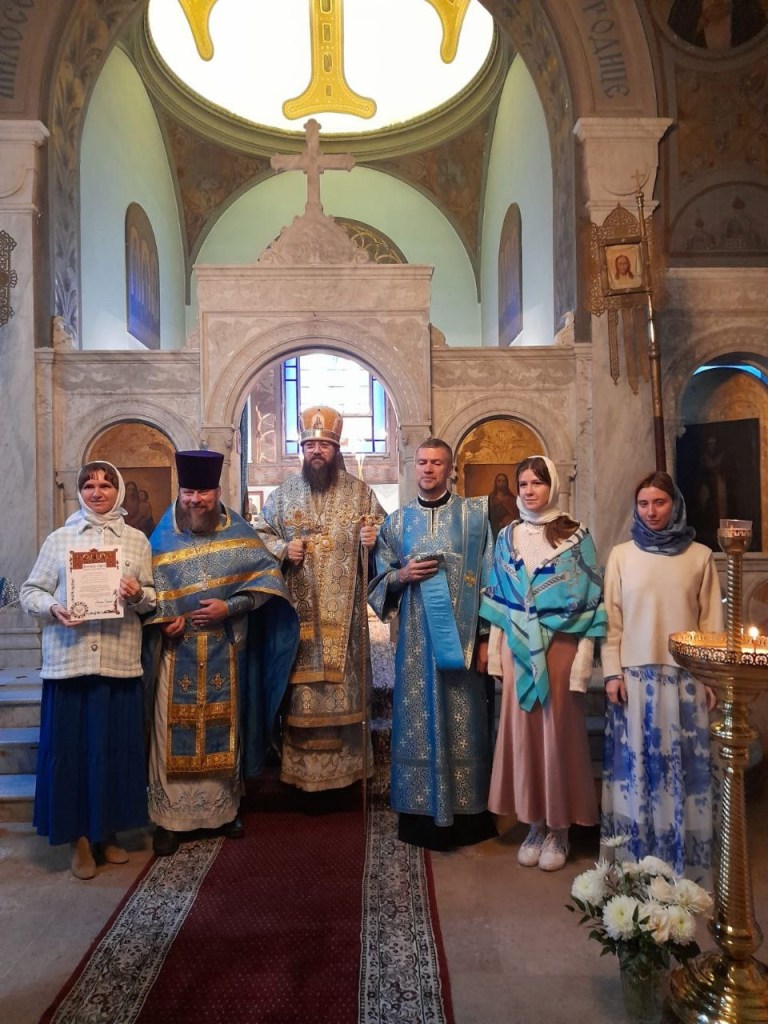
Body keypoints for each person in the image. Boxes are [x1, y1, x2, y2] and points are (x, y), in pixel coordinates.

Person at [144, 449, 298, 856]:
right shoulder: (160, 538)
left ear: (216, 492)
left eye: (204, 493)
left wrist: (228, 607)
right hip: (175, 655)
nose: (196, 500)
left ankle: (223, 811)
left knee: (225, 726)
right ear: (181, 491)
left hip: (225, 650)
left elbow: (267, 585)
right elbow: (145, 593)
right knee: (168, 731)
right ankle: (169, 820)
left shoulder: (238, 533)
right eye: (189, 492)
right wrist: (162, 621)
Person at [19, 461, 156, 879]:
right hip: (70, 662)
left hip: (117, 660)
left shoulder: (136, 541)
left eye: (105, 485)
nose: (97, 492)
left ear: (118, 491)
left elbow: (153, 599)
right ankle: (77, 838)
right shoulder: (60, 540)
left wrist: (138, 593)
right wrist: (54, 607)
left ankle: (107, 832)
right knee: (73, 752)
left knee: (112, 751)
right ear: (80, 492)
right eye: (89, 485)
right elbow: (30, 592)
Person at [479, 455, 606, 871]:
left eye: (537, 482)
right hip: (517, 648)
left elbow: (591, 603)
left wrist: (583, 663)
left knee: (559, 735)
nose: (529, 490)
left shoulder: (577, 535)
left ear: (552, 486)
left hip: (561, 648)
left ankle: (560, 829)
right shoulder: (507, 536)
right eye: (524, 484)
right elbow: (500, 600)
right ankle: (534, 823)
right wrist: (495, 654)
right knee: (523, 735)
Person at [369, 438, 497, 850]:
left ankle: (469, 816)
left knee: (466, 720)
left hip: (463, 646)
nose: (428, 468)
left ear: (450, 468)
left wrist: (484, 640)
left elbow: (491, 580)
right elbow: (378, 580)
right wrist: (401, 577)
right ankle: (420, 814)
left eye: (437, 462)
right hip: (415, 647)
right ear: (414, 467)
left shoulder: (474, 516)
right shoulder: (396, 523)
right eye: (422, 462)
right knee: (418, 720)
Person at [252, 406, 385, 795]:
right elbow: (258, 536)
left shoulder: (360, 493)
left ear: (336, 449)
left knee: (346, 690)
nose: (316, 451)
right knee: (300, 695)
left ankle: (348, 773)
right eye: (309, 444)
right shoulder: (283, 496)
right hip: (299, 619)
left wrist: (373, 540)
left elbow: (386, 536)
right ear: (302, 449)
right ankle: (302, 776)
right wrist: (283, 548)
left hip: (347, 624)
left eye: (324, 445)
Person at [600, 470, 723, 877]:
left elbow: (712, 625)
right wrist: (612, 673)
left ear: (675, 505)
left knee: (682, 772)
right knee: (636, 771)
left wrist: (711, 679)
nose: (651, 511)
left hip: (686, 681)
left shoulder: (700, 556)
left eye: (659, 502)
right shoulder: (621, 555)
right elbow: (611, 621)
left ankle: (683, 866)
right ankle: (634, 865)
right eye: (643, 504)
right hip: (634, 683)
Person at [488, 471, 517, 539]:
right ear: (495, 483)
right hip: (493, 530)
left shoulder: (512, 499)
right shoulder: (491, 498)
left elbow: (515, 517)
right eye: (499, 481)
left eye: (504, 481)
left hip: (507, 531)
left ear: (507, 483)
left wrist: (506, 522)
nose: (501, 483)